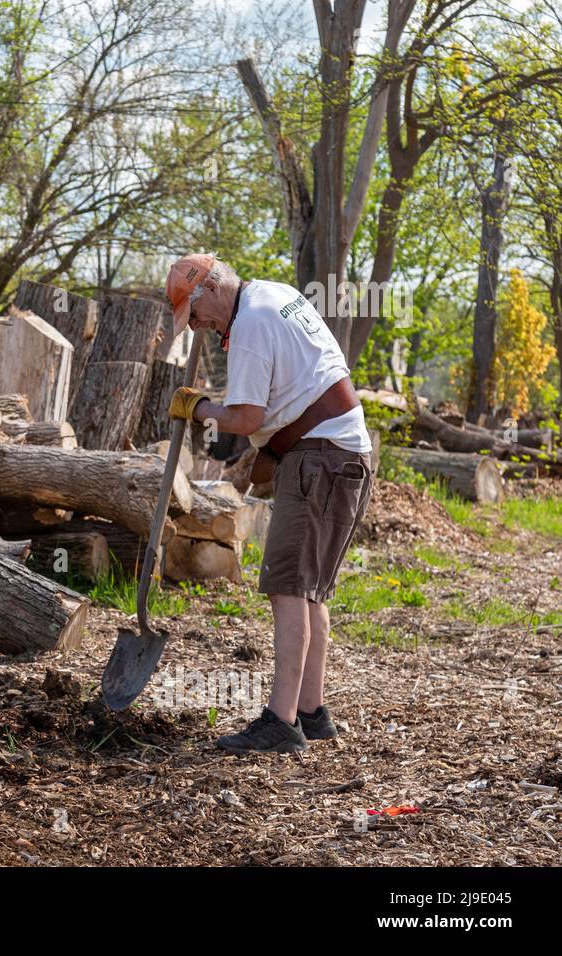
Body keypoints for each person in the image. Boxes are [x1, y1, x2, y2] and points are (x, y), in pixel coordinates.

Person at [164, 252, 373, 753]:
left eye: (194, 315)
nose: (197, 328)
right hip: (343, 452)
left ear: (211, 289)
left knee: (286, 587)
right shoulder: (273, 295)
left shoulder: (251, 321)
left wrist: (198, 407)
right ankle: (311, 711)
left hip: (320, 458)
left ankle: (281, 721)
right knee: (308, 591)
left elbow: (246, 417)